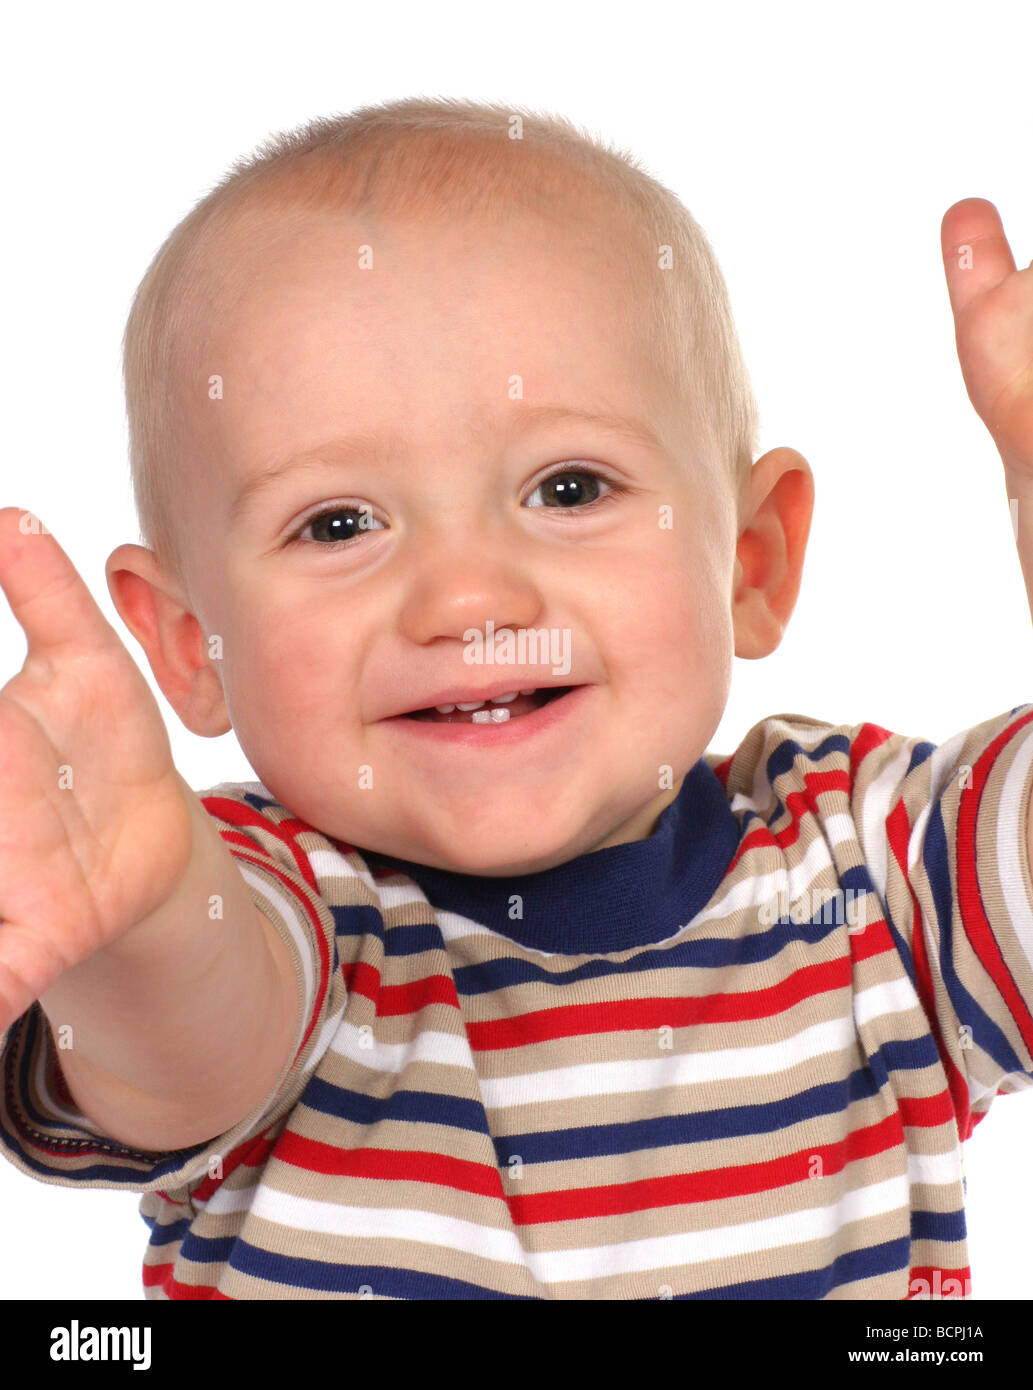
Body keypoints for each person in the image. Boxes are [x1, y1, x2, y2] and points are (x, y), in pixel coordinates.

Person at [1, 97, 1031, 1300]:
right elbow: (191, 1037)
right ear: (192, 645)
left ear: (749, 559)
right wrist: (141, 915)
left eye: (568, 486)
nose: (467, 592)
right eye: (339, 522)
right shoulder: (279, 914)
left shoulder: (874, 877)